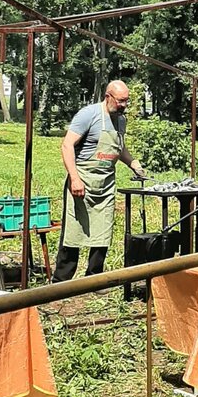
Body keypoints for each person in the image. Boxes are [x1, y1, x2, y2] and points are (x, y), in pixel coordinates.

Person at [53, 80, 144, 282]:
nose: (124, 106)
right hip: (82, 182)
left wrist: (133, 164)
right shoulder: (89, 115)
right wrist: (74, 179)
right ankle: (61, 282)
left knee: (103, 233)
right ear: (108, 96)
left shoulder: (120, 120)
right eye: (120, 101)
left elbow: (119, 148)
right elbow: (67, 145)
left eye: (126, 101)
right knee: (73, 233)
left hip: (105, 185)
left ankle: (94, 278)